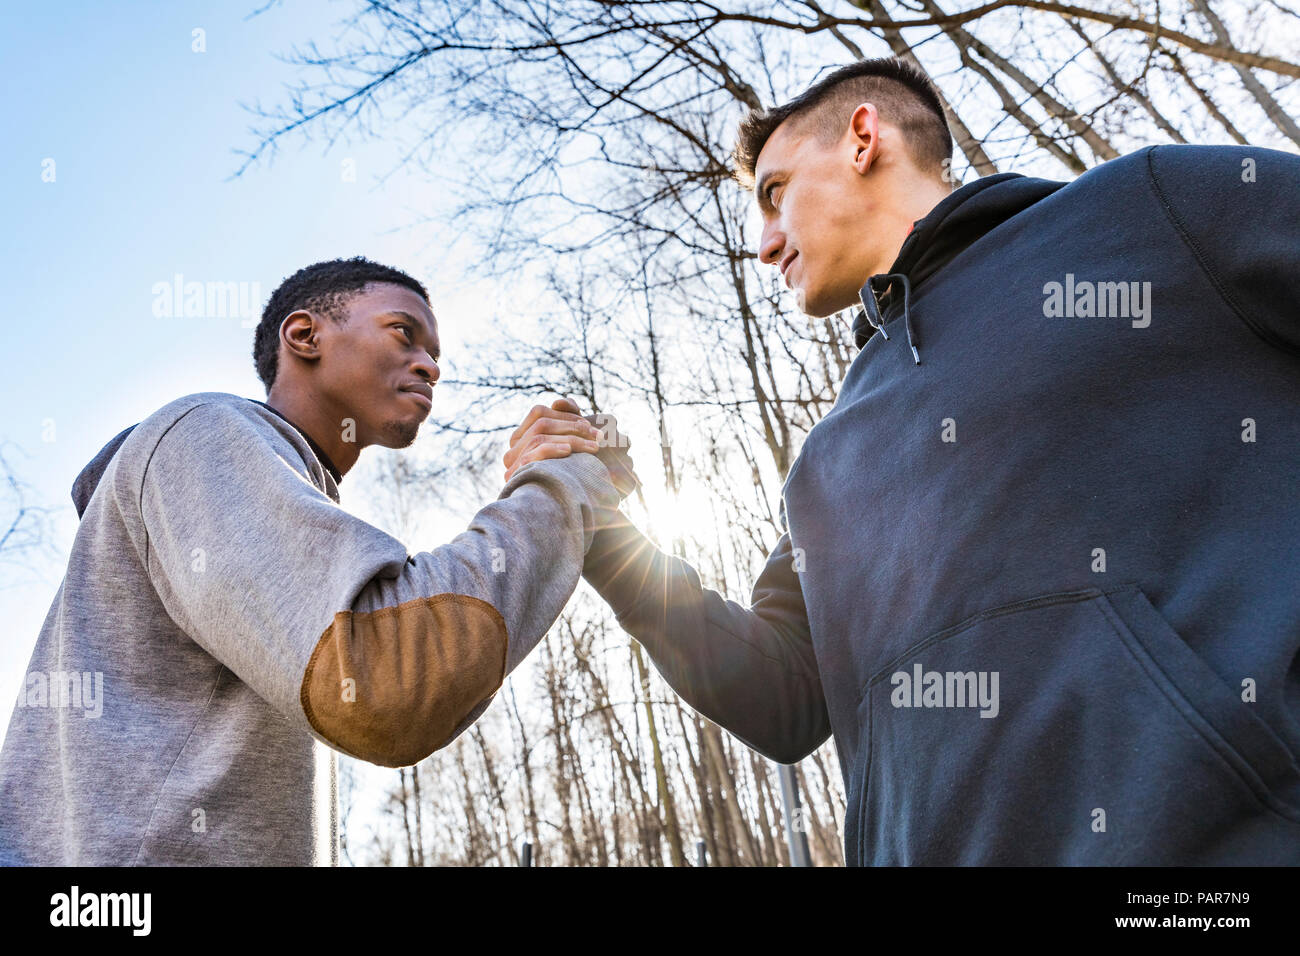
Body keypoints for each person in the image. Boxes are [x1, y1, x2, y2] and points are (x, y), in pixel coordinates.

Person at [513, 57, 1300, 864]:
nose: (764, 244)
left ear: (863, 137)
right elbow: (782, 698)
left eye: (775, 193)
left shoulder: (1152, 211)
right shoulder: (826, 461)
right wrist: (603, 530)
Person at [0, 256, 631, 865]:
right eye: (404, 333)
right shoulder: (203, 434)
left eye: (436, 357)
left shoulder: (269, 498)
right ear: (304, 336)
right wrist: (560, 486)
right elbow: (388, 679)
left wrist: (555, 490)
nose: (430, 367)